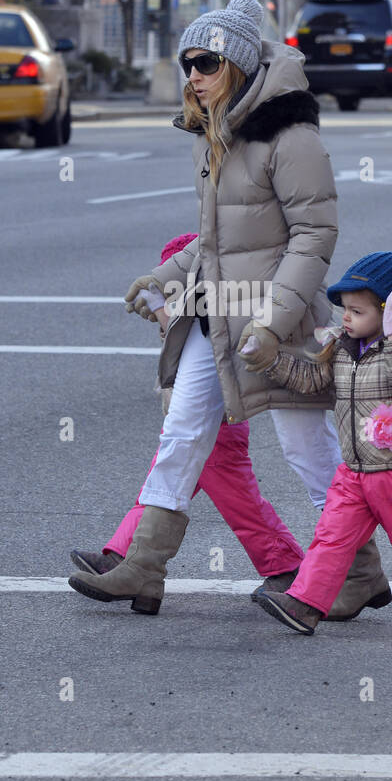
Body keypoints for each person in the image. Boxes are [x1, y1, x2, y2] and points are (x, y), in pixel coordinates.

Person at [67, 0, 391, 617]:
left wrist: (274, 321)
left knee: (306, 448)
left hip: (277, 323)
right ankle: (143, 566)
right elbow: (216, 244)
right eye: (187, 61)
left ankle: (358, 570)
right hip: (215, 319)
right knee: (182, 434)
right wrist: (162, 277)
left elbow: (315, 234)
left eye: (206, 62)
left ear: (238, 67)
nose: (192, 74)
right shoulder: (211, 133)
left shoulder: (289, 136)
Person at [247, 252, 392, 642]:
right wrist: (271, 360)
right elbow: (312, 379)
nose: (345, 318)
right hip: (354, 470)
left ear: (389, 310)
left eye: (357, 310)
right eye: (344, 309)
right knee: (330, 537)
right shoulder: (344, 346)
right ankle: (305, 602)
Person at [70, 233, 304, 588]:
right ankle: (123, 556)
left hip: (217, 425)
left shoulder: (209, 314)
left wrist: (163, 310)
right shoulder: (198, 312)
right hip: (199, 419)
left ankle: (286, 565)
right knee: (161, 482)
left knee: (239, 503)